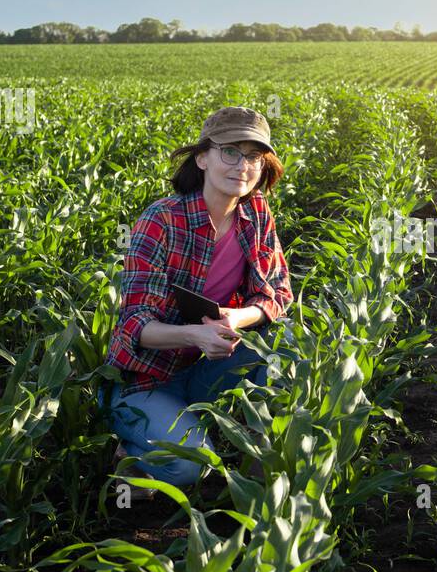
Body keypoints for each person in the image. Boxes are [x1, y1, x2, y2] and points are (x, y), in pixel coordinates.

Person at [99, 106, 293, 490]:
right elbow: (136, 324)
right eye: (230, 152)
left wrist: (237, 318)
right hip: (146, 378)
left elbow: (278, 293)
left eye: (254, 156)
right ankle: (132, 451)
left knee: (287, 343)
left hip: (206, 369)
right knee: (192, 467)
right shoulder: (162, 220)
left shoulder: (256, 213)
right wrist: (194, 335)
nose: (243, 165)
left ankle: (260, 472)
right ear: (203, 158)